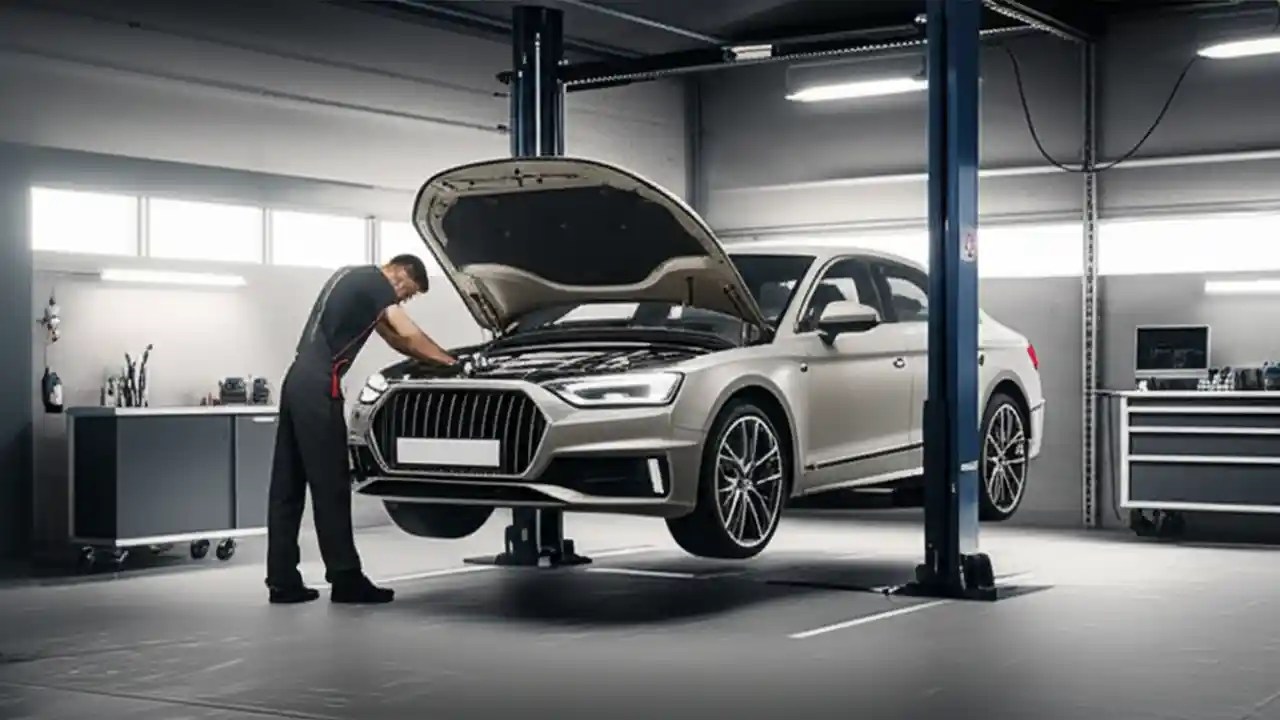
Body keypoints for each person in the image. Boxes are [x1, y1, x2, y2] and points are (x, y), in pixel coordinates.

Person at [266, 254, 457, 605]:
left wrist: (428, 358)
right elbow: (408, 332)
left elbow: (395, 340)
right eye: (408, 293)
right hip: (321, 383)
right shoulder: (376, 283)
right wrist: (451, 363)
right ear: (401, 272)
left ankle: (282, 580)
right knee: (331, 484)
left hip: (296, 380)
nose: (403, 299)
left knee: (287, 485)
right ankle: (345, 578)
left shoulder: (350, 278)